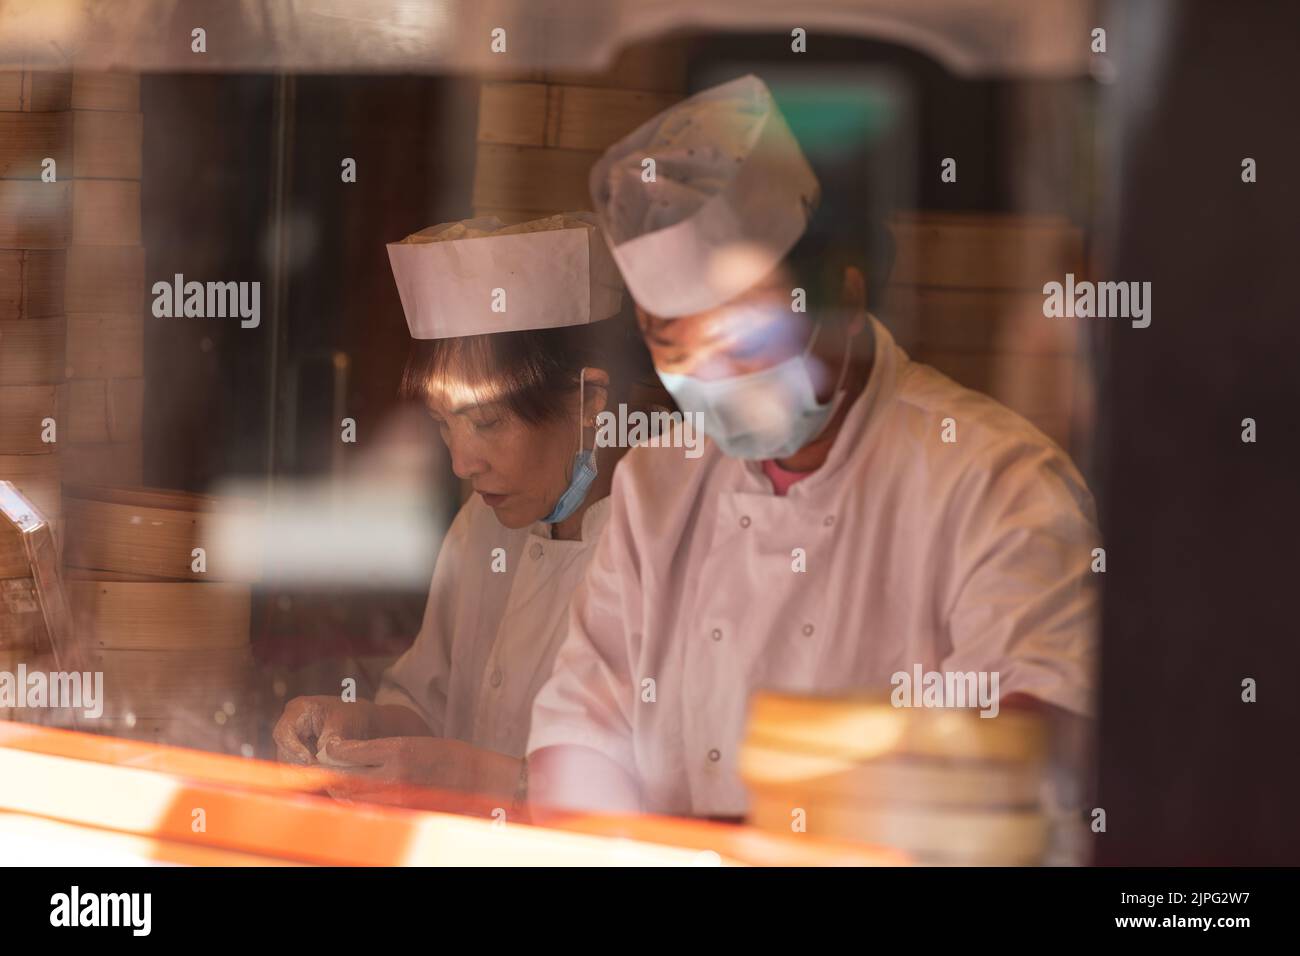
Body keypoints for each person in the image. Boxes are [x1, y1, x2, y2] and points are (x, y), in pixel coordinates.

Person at [526, 75, 1100, 817]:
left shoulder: (994, 480)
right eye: (673, 342)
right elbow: (581, 734)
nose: (715, 376)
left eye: (743, 332)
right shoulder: (656, 482)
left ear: (847, 295)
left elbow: (1040, 733)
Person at [273, 213, 654, 806]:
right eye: (443, 424)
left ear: (589, 401)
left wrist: (474, 778)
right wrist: (358, 726)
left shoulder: (661, 550)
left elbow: (662, 795)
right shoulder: (482, 524)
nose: (462, 463)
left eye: (486, 421)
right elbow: (431, 705)